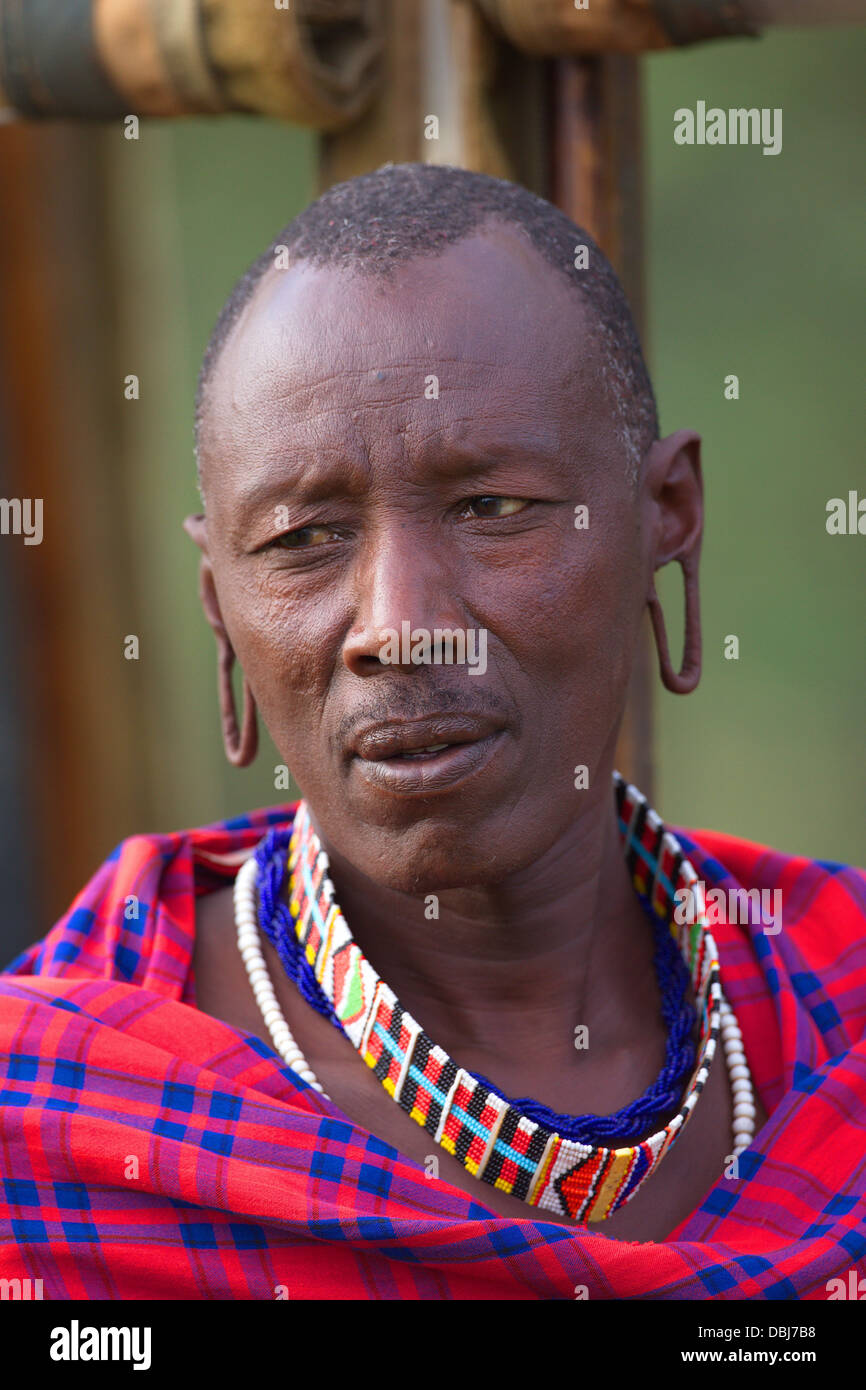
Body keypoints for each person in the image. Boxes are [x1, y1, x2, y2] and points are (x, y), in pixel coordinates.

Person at [1, 164, 864, 1300]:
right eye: (302, 537)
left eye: (491, 508)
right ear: (219, 601)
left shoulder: (832, 995)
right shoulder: (55, 1141)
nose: (401, 626)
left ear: (667, 516)